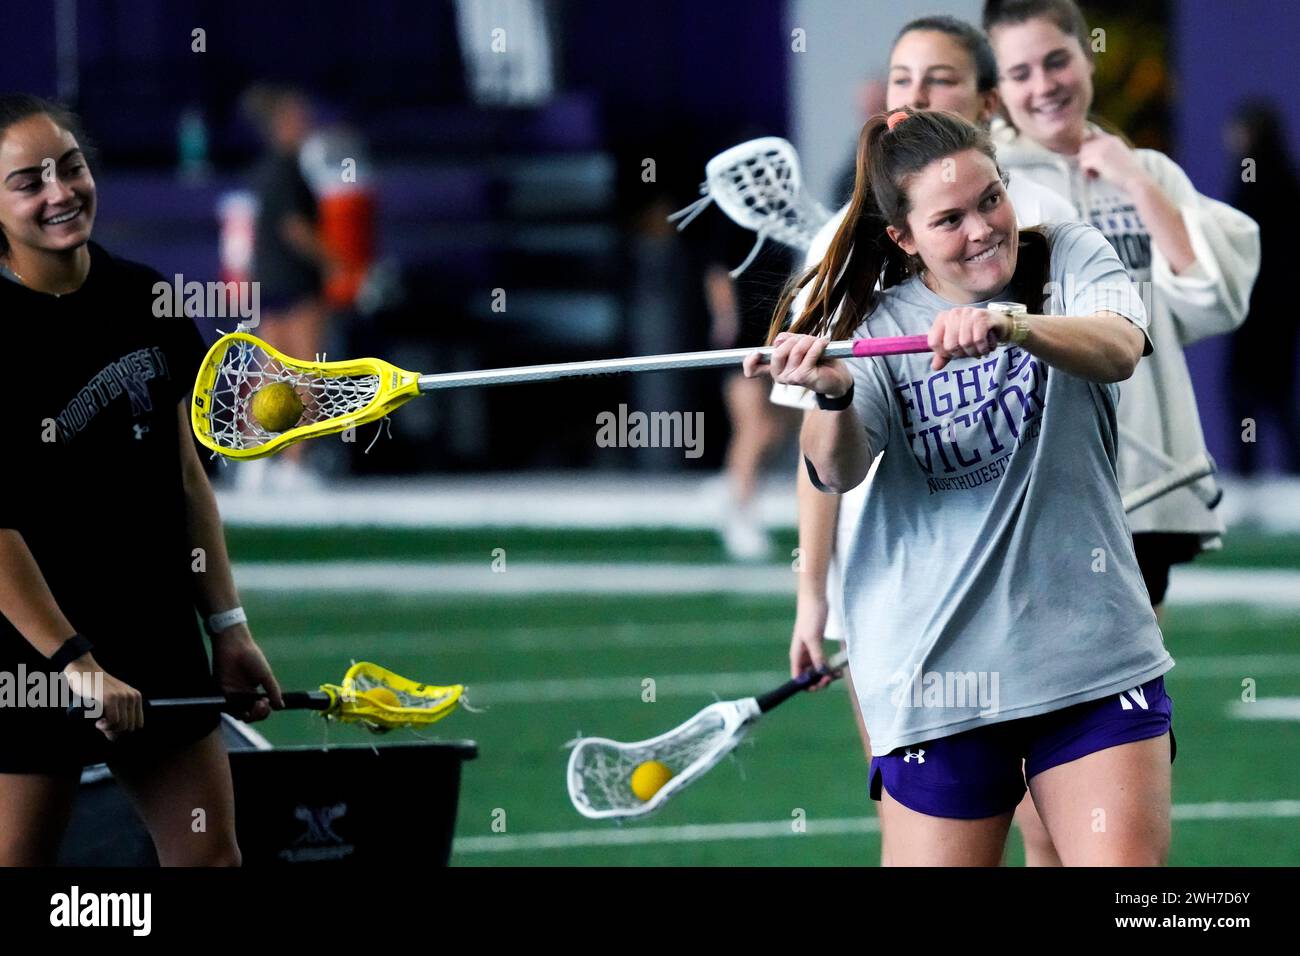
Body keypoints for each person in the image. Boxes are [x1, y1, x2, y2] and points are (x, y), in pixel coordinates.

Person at [745, 107, 1173, 866]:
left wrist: (1016, 327)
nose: (982, 229)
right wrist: (833, 393)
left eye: (991, 200)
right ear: (903, 238)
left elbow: (1118, 348)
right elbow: (836, 469)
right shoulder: (874, 326)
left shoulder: (1068, 257)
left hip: (1091, 661)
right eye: (949, 219)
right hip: (936, 680)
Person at [789, 15, 1075, 865]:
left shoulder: (1035, 230)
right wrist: (815, 595)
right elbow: (820, 467)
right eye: (902, 78)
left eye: (938, 80)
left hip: (1032, 583)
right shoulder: (834, 253)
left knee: (1055, 829)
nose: (912, 97)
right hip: (894, 595)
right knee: (920, 833)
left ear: (986, 103)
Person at [0, 94, 283, 866]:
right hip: (30, 652)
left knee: (209, 860)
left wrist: (229, 630)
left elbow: (186, 476)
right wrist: (75, 665)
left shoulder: (147, 298)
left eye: (70, 167)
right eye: (28, 182)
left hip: (153, 630)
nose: (59, 192)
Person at [982, 0, 1261, 615]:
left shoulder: (1149, 169)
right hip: (1037, 476)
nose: (1044, 85)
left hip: (1147, 473)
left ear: (1087, 56)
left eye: (1058, 61)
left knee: (1139, 685)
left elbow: (1214, 301)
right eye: (1020, 73)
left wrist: (1135, 182)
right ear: (996, 90)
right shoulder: (988, 185)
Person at [240, 85, 334, 489]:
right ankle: (293, 466)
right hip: (294, 283)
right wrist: (337, 262)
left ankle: (254, 459)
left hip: (270, 282)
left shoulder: (267, 170)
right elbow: (295, 230)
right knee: (307, 372)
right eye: (299, 117)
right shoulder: (288, 169)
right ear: (280, 124)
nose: (307, 124)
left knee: (271, 372)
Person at [1223, 101, 1300, 475]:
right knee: (1278, 395)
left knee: (1247, 393)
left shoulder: (1252, 182)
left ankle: (1247, 475)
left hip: (1256, 308)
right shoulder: (1287, 180)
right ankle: (1288, 473)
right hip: (1279, 310)